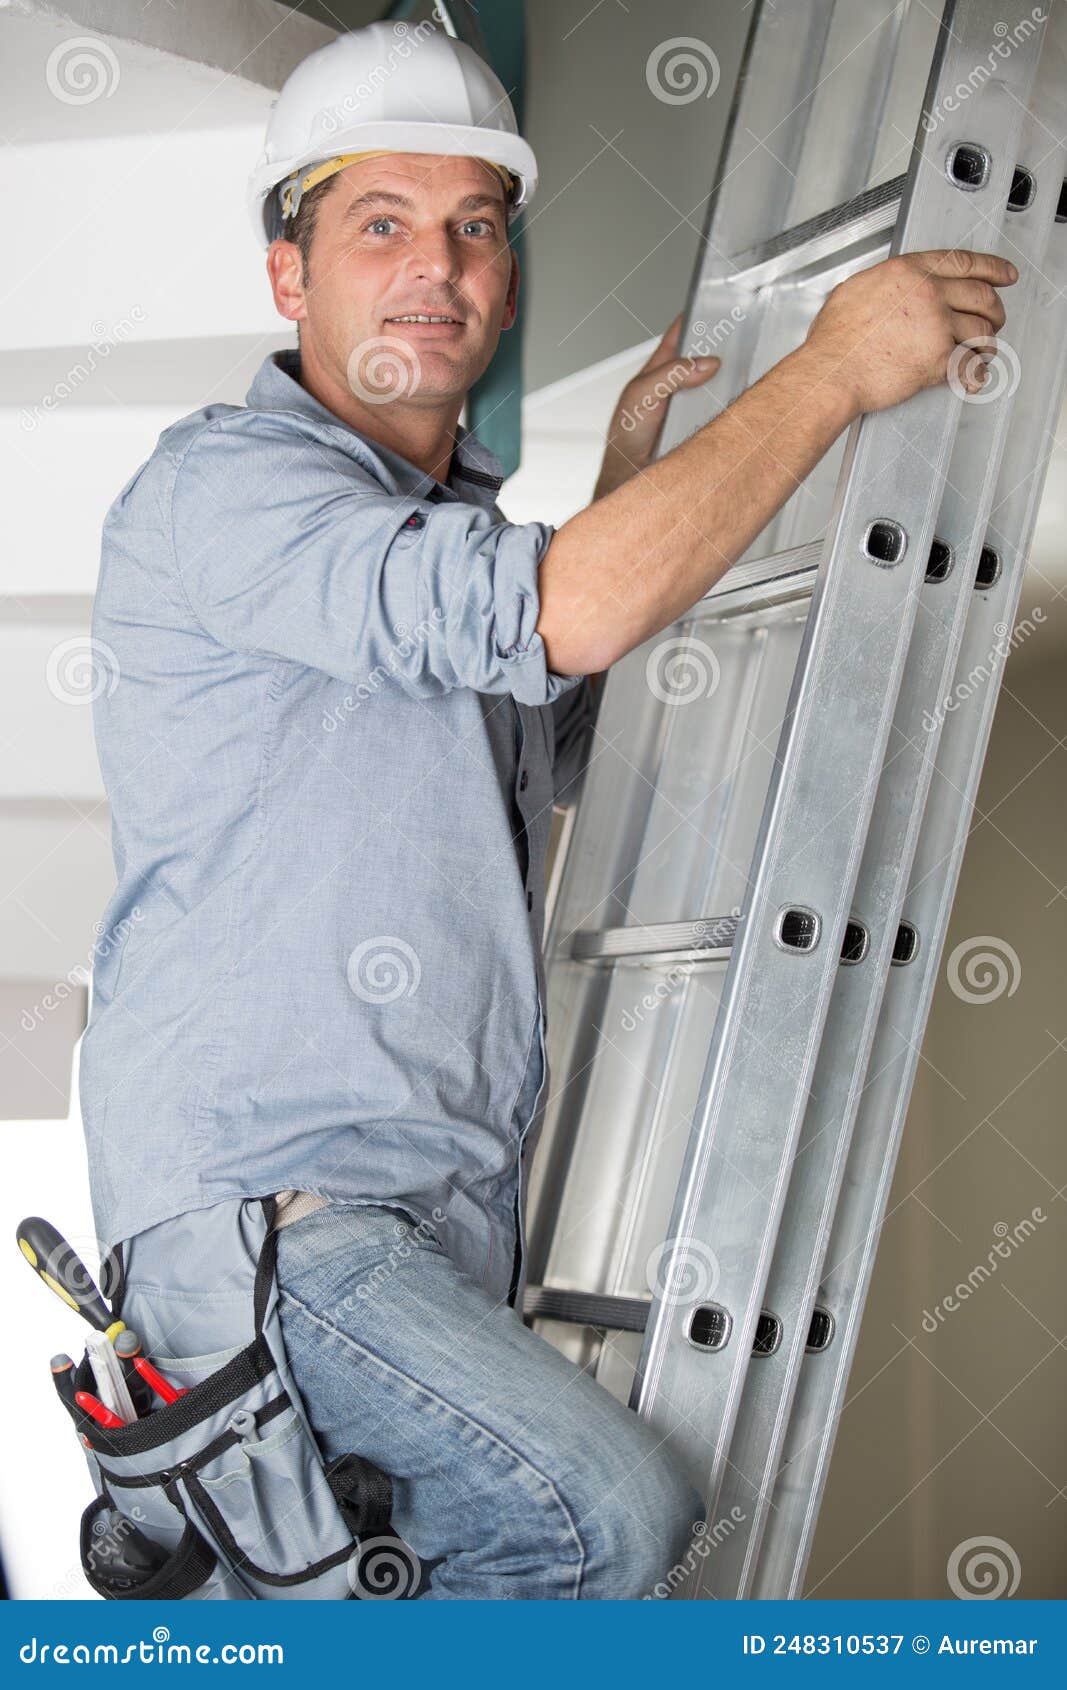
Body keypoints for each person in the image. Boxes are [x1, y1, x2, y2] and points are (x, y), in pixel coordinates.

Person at [79, 21, 1015, 1598]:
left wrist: (636, 487)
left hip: (432, 1222)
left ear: (504, 277)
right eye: (379, 224)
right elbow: (551, 618)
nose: (435, 266)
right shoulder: (226, 492)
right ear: (289, 279)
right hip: (276, 1218)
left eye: (475, 227)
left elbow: (561, 720)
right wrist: (833, 374)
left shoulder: (449, 534)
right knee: (604, 1518)